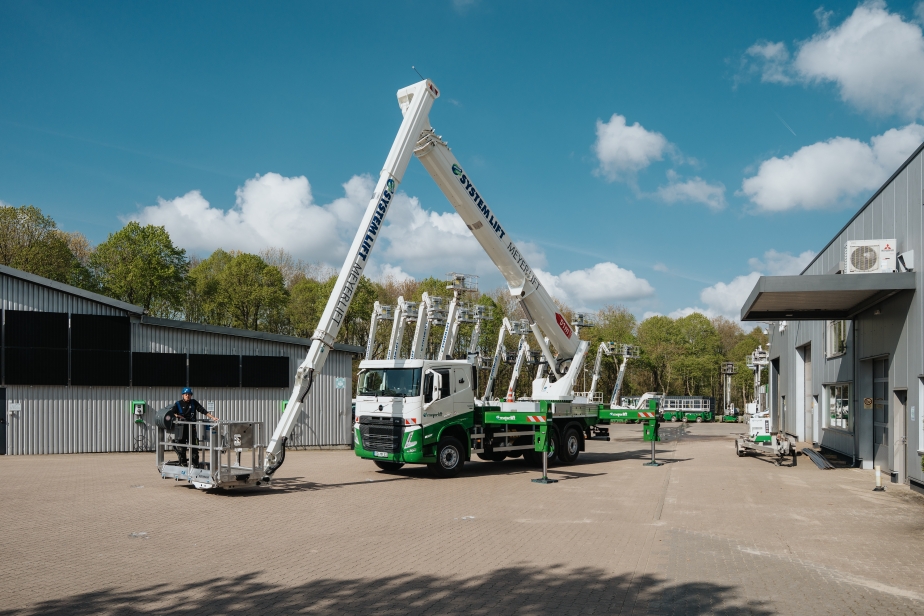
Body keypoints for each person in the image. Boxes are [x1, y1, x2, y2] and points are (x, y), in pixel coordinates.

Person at [172, 387, 217, 467]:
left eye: (189, 394)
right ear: (183, 395)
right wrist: (177, 416)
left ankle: (195, 464)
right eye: (186, 394)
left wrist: (212, 417)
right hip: (182, 429)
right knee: (182, 448)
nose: (187, 396)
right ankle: (183, 464)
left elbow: (203, 410)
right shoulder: (178, 404)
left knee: (194, 447)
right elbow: (172, 413)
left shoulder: (194, 403)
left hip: (192, 429)